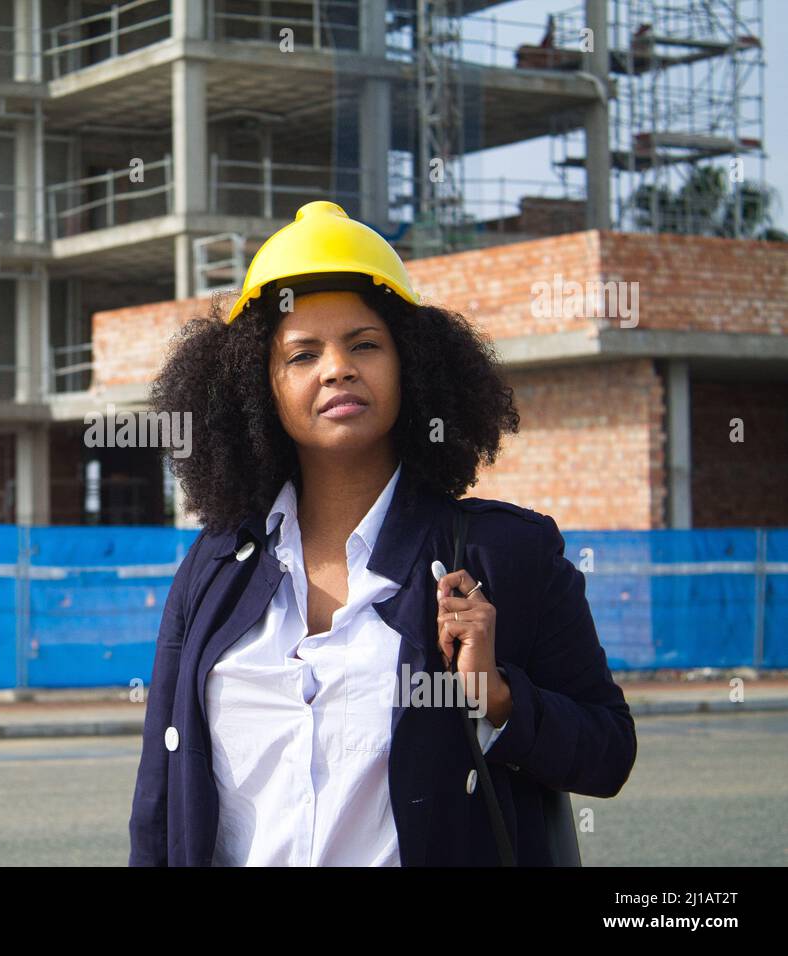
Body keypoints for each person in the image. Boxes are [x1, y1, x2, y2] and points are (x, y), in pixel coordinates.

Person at [128, 201, 636, 866]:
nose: (336, 368)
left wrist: (498, 696)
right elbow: (159, 803)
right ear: (260, 390)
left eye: (364, 344)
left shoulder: (504, 556)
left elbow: (607, 753)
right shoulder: (215, 566)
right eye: (302, 354)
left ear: (412, 366)